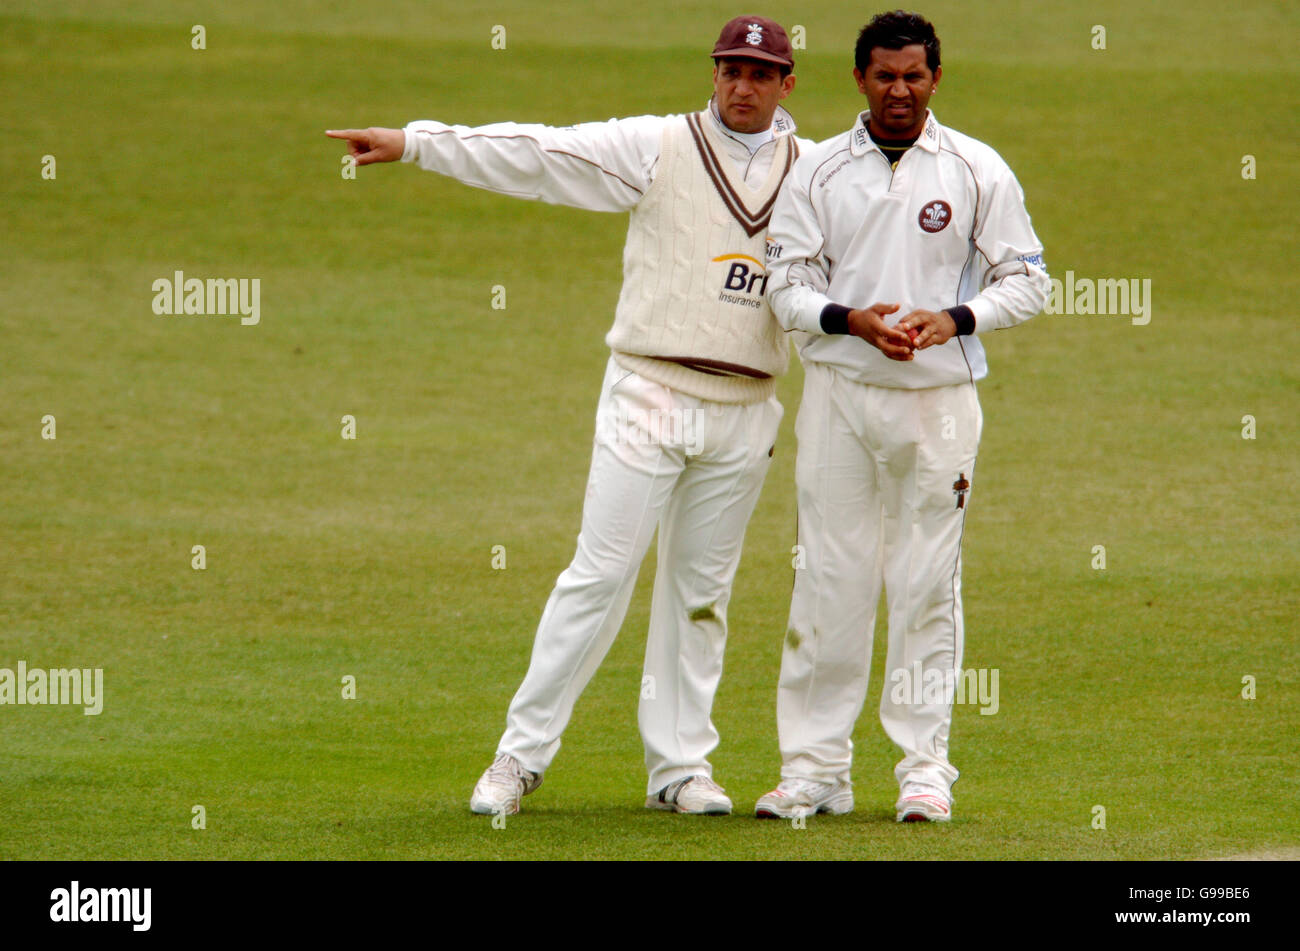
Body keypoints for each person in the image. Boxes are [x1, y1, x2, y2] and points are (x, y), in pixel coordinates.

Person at [327, 16, 806, 816]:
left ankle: (681, 769)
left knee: (701, 593)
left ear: (787, 84)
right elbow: (539, 153)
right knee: (600, 574)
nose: (742, 85)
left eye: (760, 73)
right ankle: (518, 758)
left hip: (748, 408)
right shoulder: (660, 144)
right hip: (648, 391)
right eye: (730, 69)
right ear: (713, 72)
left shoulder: (816, 171)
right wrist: (415, 142)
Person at [756, 10, 1049, 823]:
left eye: (914, 76)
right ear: (858, 79)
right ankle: (814, 770)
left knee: (925, 584)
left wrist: (952, 319)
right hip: (840, 396)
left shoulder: (975, 168)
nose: (899, 90)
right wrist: (855, 319)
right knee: (828, 577)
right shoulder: (815, 171)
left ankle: (925, 769)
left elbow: (1029, 279)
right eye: (884, 76)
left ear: (936, 79)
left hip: (939, 404)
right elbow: (785, 286)